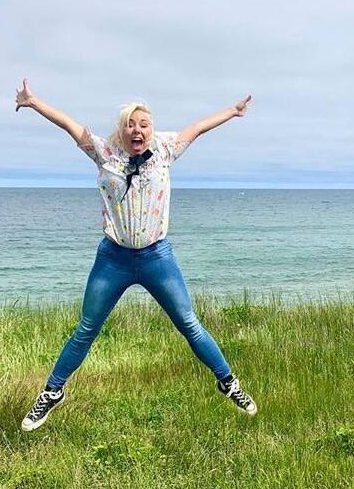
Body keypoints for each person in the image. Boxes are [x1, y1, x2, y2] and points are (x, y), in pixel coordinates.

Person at [14, 78, 258, 431]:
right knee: (86, 328)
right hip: (113, 259)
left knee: (189, 323)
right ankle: (52, 392)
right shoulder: (104, 153)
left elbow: (198, 128)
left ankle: (228, 382)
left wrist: (232, 112)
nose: (137, 129)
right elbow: (70, 125)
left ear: (152, 129)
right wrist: (35, 103)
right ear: (122, 130)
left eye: (144, 124)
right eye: (131, 123)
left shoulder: (166, 150)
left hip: (157, 257)